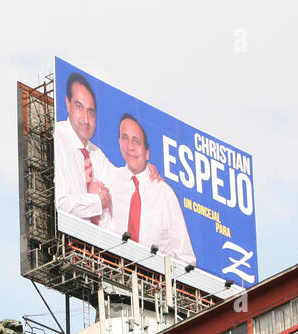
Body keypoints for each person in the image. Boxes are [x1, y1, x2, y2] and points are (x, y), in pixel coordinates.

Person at [105, 113, 196, 266]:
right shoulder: (109, 178)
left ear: (147, 152)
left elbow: (186, 258)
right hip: (111, 273)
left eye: (136, 141)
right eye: (125, 138)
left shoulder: (164, 194)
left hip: (151, 283)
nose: (130, 147)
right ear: (119, 141)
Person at [54, 72, 114, 225]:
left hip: (96, 246)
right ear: (67, 103)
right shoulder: (57, 136)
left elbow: (120, 190)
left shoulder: (97, 155)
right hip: (65, 241)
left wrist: (147, 172)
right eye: (79, 107)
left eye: (91, 112)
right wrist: (96, 202)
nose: (86, 120)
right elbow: (59, 203)